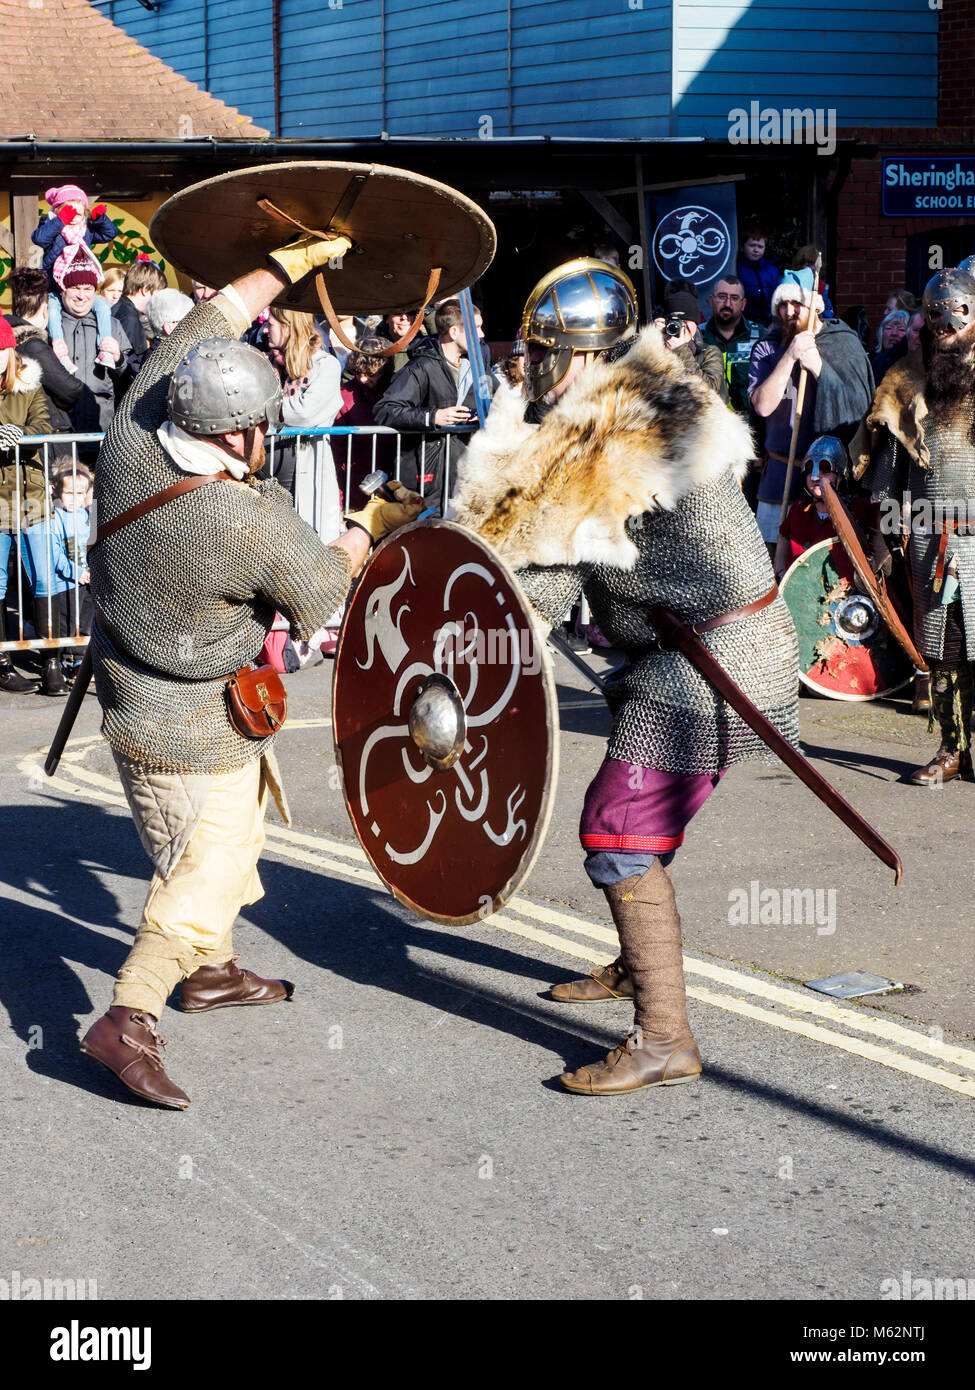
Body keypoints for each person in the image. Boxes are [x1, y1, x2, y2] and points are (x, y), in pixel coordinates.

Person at [78, 225, 424, 1109]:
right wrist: (369, 525)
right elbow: (319, 587)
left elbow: (210, 320)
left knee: (231, 846)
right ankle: (129, 1016)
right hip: (185, 722)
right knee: (204, 870)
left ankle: (216, 973)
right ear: (239, 436)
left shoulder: (134, 433)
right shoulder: (239, 523)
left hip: (140, 692)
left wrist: (286, 267)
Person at [452, 259, 799, 1095]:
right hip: (715, 652)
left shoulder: (604, 440)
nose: (528, 369)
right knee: (639, 829)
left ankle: (664, 1038)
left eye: (540, 353)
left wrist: (459, 641)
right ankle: (634, 966)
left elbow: (542, 579)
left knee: (616, 833)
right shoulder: (654, 392)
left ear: (576, 357)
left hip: (708, 665)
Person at [851, 267, 975, 785]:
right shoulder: (906, 381)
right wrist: (880, 536)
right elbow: (889, 469)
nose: (945, 324)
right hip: (930, 537)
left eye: (957, 314)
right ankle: (952, 748)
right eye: (936, 316)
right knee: (943, 652)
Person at [748, 267, 874, 559]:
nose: (789, 311)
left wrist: (818, 368)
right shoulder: (766, 349)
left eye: (797, 304)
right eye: (782, 304)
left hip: (826, 481)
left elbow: (859, 407)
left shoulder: (843, 342)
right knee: (769, 566)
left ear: (815, 306)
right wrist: (790, 355)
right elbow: (763, 405)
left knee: (822, 563)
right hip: (778, 477)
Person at [373, 298, 494, 499]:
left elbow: (497, 402)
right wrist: (433, 417)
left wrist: (482, 414)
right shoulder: (421, 367)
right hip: (424, 481)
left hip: (466, 478)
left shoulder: (478, 367)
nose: (482, 334)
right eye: (477, 328)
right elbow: (385, 410)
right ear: (454, 332)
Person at [0, 314, 51, 695]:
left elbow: (46, 427)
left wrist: (21, 434)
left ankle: (52, 660)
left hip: (31, 496)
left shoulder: (29, 385)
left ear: (10, 350)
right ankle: (2, 664)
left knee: (43, 578)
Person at [31, 185, 119, 372]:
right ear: (58, 212)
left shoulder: (85, 230)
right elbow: (39, 239)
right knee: (53, 312)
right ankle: (61, 352)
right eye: (68, 214)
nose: (74, 219)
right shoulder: (51, 227)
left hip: (81, 285)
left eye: (78, 214)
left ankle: (105, 350)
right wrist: (60, 222)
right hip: (56, 287)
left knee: (102, 306)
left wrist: (100, 219)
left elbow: (109, 233)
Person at [24, 462, 94, 693]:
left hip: (88, 581)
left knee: (86, 621)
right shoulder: (55, 518)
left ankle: (80, 663)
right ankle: (67, 663)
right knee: (66, 624)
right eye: (69, 493)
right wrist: (76, 573)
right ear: (55, 491)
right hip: (66, 582)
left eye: (80, 493)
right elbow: (54, 553)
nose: (75, 498)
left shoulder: (87, 515)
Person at [773, 435, 873, 580]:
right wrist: (781, 575)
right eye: (810, 469)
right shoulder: (799, 509)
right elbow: (783, 536)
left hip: (841, 592)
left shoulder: (857, 508)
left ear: (840, 474)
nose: (815, 477)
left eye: (825, 470)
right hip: (799, 590)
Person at [57, 261, 132, 443]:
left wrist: (119, 359)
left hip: (100, 432)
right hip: (59, 436)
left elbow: (129, 381)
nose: (82, 296)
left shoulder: (113, 325)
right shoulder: (51, 327)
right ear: (62, 290)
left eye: (88, 289)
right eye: (75, 288)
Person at [8, 267, 83, 437]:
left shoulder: (9, 340)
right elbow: (72, 389)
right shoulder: (32, 345)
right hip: (47, 435)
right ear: (44, 308)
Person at [332, 336, 396, 505]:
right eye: (358, 372)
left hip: (395, 484)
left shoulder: (399, 390)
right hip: (355, 487)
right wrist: (339, 502)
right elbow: (337, 453)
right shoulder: (345, 395)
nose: (362, 379)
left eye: (370, 373)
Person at [699, 275, 763, 413]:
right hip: (708, 426)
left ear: (743, 304)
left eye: (734, 298)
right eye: (722, 296)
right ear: (711, 300)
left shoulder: (761, 338)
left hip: (749, 427)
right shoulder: (696, 337)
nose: (727, 304)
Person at [656, 289, 728, 401]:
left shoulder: (709, 352)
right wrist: (650, 339)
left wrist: (680, 350)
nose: (680, 326)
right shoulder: (658, 350)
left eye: (686, 321)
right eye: (675, 321)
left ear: (696, 324)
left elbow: (709, 391)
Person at [113, 259, 166, 364]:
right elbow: (132, 364)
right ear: (145, 290)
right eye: (158, 294)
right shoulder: (130, 319)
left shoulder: (117, 308)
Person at [736, 225, 781, 324]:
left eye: (760, 246)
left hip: (768, 322)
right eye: (752, 245)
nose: (756, 250)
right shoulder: (735, 268)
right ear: (742, 247)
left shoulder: (772, 271)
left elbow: (778, 298)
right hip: (741, 322)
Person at [870, 309, 909, 385]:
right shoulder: (873, 362)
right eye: (888, 328)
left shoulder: (914, 363)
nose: (894, 333)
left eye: (901, 329)